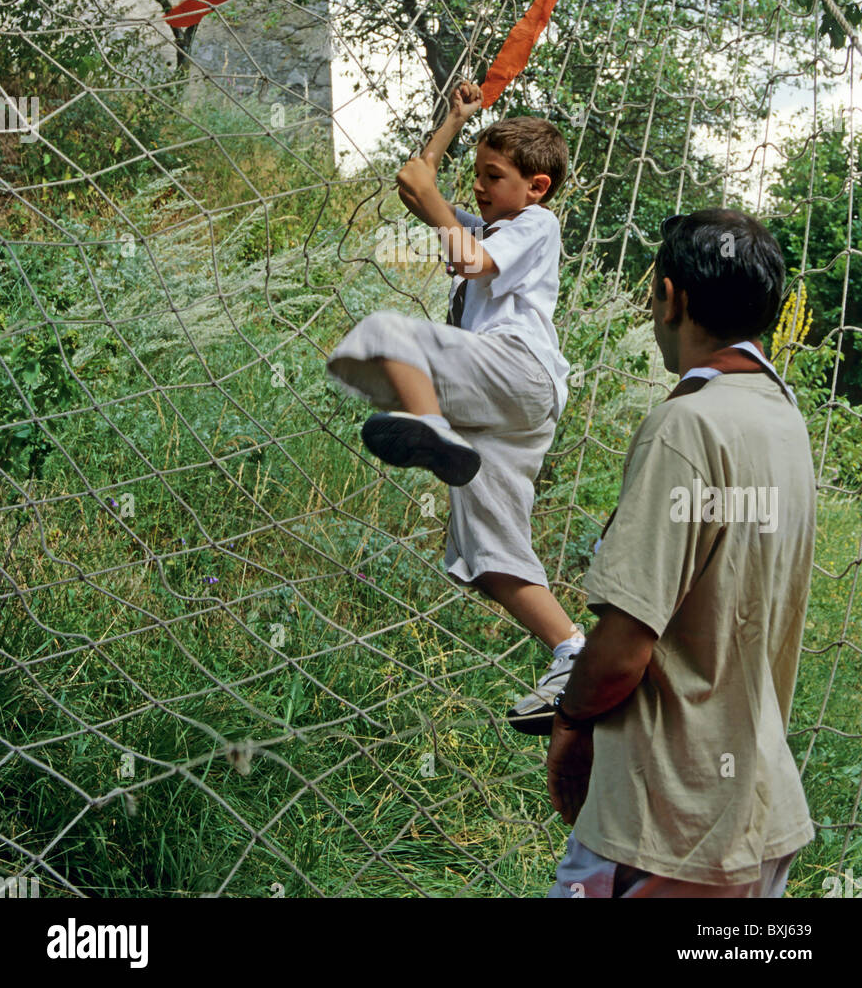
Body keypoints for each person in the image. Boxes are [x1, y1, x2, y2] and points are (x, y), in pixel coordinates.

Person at [545, 209, 816, 898]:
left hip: (664, 818)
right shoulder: (782, 418)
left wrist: (571, 725)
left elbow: (625, 643)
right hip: (757, 804)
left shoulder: (687, 425)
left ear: (672, 297)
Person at [326, 80, 584, 721]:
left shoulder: (534, 224)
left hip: (519, 370)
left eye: (492, 176)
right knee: (487, 555)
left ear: (536, 187)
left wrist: (452, 224)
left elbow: (473, 263)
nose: (478, 188)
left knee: (387, 333)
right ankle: (575, 656)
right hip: (510, 409)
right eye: (476, 175)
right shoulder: (486, 223)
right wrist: (455, 120)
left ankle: (431, 424)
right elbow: (416, 183)